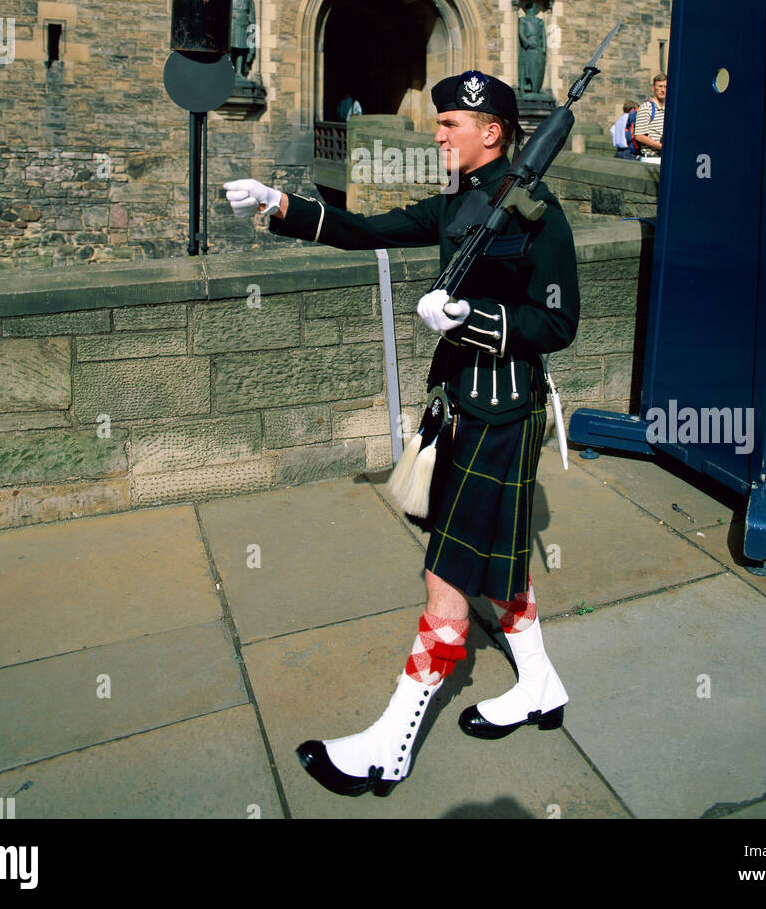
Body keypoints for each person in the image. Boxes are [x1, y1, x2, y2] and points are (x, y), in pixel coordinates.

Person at [223, 70, 579, 798]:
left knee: (447, 576)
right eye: (439, 121)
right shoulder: (459, 202)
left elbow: (560, 322)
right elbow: (371, 230)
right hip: (458, 404)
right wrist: (283, 206)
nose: (438, 134)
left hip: (503, 413)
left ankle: (391, 742)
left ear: (495, 131)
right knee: (494, 559)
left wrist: (472, 320)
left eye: (451, 124)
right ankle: (539, 684)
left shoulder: (542, 215)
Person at [633, 73, 666, 162]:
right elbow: (639, 136)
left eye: (665, 87)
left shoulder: (668, 109)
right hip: (651, 158)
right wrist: (662, 147)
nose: (663, 90)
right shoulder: (646, 107)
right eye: (660, 86)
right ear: (653, 88)